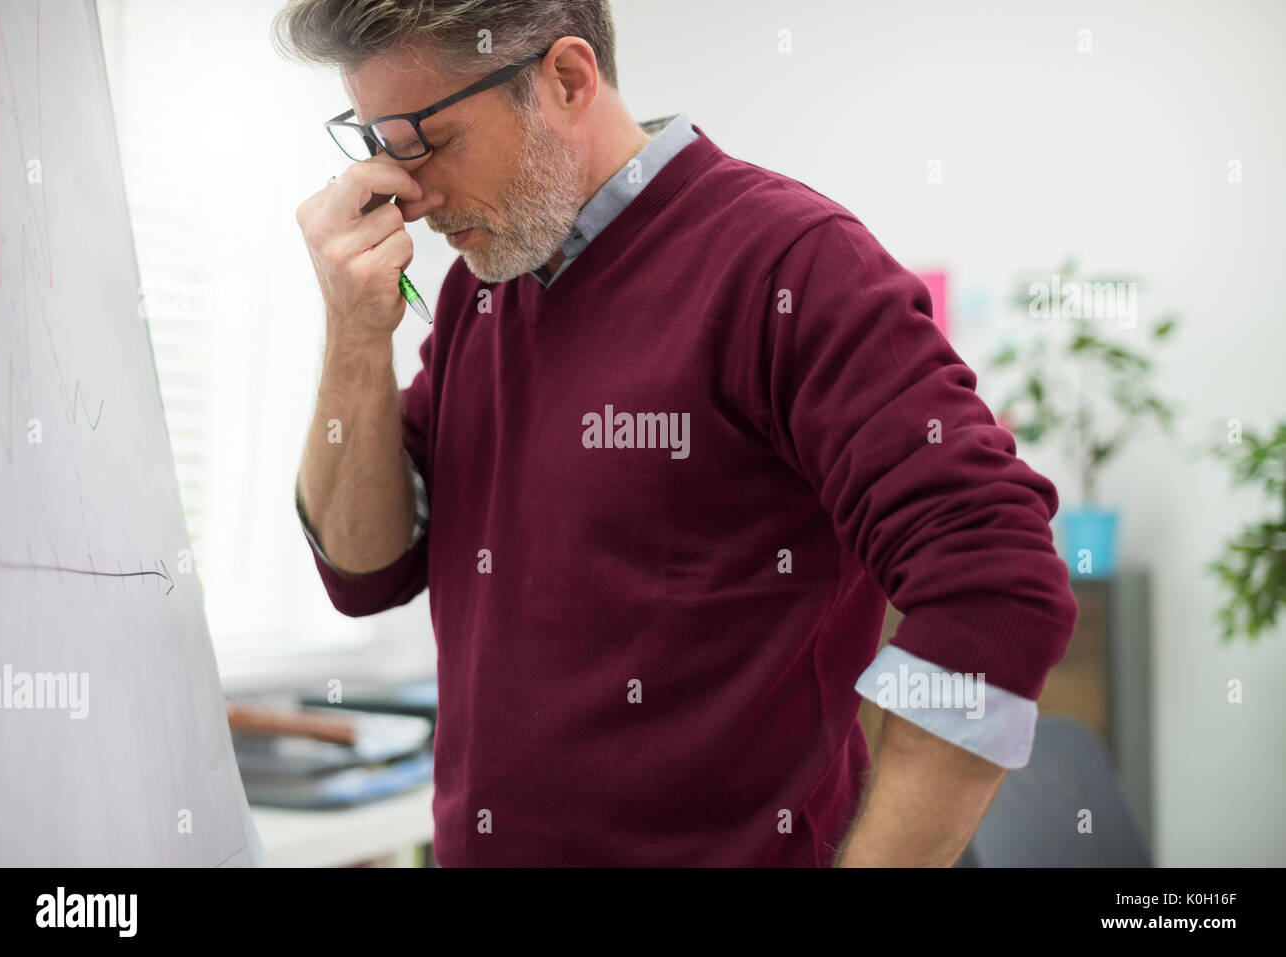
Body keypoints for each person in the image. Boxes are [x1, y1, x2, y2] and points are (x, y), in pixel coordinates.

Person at [275, 0, 1078, 867]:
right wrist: (355, 333)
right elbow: (365, 569)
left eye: (429, 139)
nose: (413, 193)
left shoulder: (787, 263)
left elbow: (997, 584)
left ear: (567, 80)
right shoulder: (484, 291)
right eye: (381, 146)